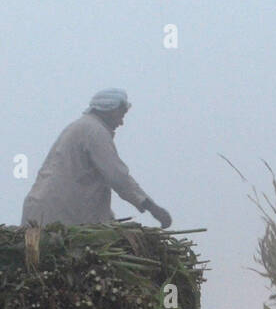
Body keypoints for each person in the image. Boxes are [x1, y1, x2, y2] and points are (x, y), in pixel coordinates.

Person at [21, 88, 172, 229]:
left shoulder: (81, 126)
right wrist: (152, 207)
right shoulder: (94, 131)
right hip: (58, 216)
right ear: (110, 111)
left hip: (41, 210)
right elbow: (117, 177)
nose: (121, 122)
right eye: (121, 115)